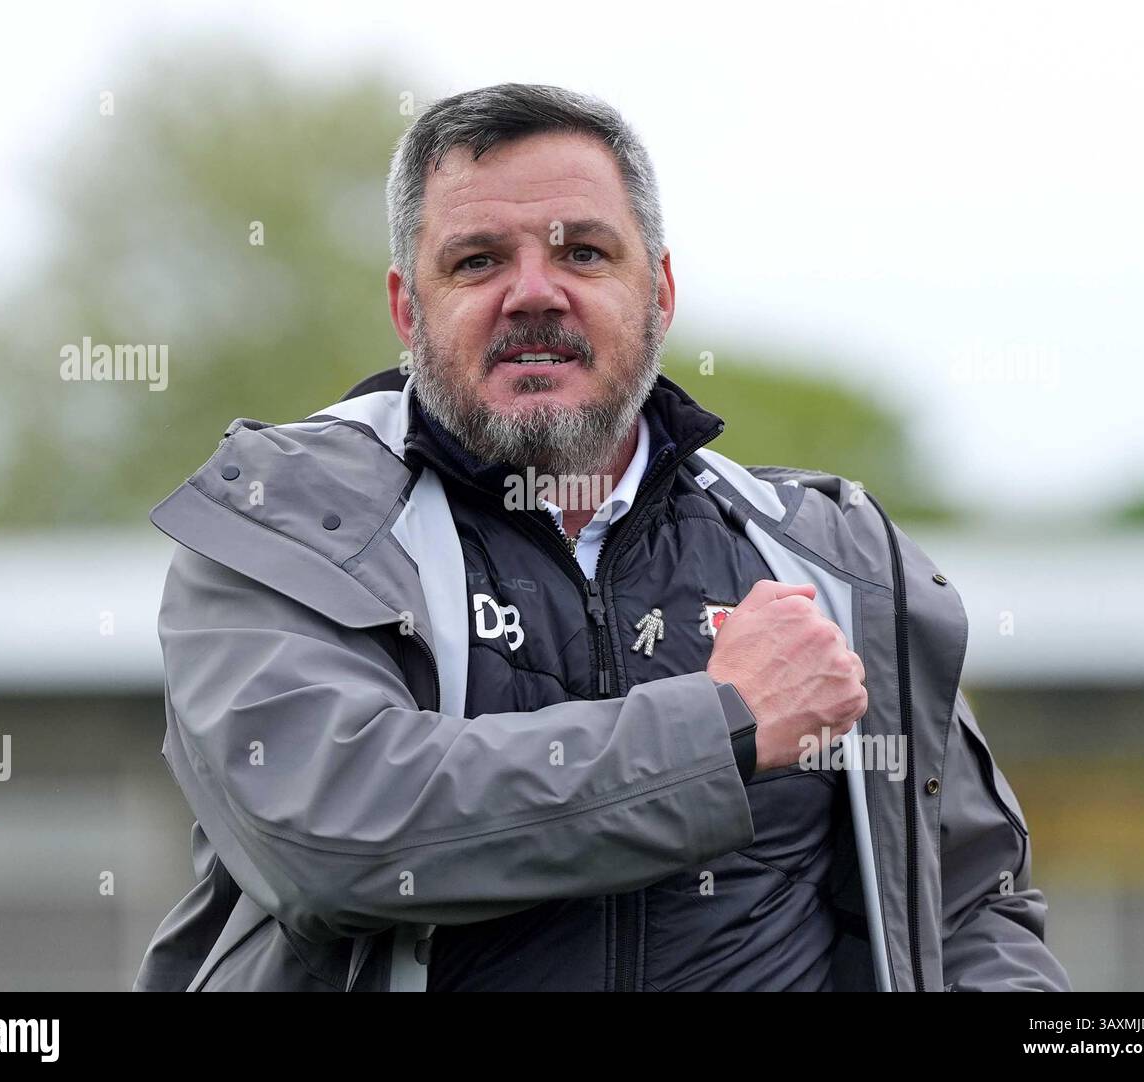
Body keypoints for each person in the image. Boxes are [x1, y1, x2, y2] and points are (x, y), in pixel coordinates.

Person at [133, 83, 1070, 992]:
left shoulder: (837, 560)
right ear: (406, 308)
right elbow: (331, 832)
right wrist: (727, 725)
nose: (533, 294)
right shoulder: (281, 520)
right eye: (477, 262)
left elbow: (967, 911)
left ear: (659, 291)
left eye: (583, 253)